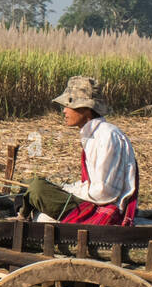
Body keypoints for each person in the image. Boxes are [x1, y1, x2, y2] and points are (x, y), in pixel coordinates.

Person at [22, 76, 139, 226]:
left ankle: (23, 210)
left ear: (86, 109)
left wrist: (68, 191)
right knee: (30, 184)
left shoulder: (106, 136)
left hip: (102, 209)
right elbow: (93, 184)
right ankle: (23, 208)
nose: (64, 110)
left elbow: (104, 192)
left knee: (37, 189)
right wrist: (64, 188)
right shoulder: (93, 136)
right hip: (94, 201)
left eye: (68, 105)